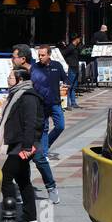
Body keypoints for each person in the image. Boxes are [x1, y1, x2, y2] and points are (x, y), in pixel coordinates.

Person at [12, 44, 57, 204]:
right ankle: (22, 192)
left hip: (36, 123)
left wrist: (39, 114)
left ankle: (51, 187)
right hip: (23, 124)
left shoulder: (35, 75)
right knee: (20, 159)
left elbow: (47, 97)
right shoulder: (21, 72)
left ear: (22, 59)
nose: (12, 59)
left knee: (38, 157)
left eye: (14, 56)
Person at [0, 65, 44, 222]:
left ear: (21, 80)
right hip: (18, 142)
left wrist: (26, 147)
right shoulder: (17, 95)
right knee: (23, 179)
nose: (8, 80)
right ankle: (29, 215)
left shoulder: (28, 97)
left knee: (5, 178)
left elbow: (30, 123)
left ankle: (9, 216)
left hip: (22, 145)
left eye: (11, 77)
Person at [35, 44, 66, 204]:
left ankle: (46, 146)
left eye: (42, 55)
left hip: (55, 102)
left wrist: (66, 85)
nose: (39, 57)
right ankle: (45, 151)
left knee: (60, 125)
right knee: (45, 129)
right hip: (41, 104)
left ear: (49, 55)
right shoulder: (35, 67)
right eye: (38, 55)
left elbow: (65, 79)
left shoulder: (56, 66)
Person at [65, 35, 83, 108]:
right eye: (79, 39)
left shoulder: (76, 47)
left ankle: (73, 102)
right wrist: (67, 62)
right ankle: (68, 103)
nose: (80, 40)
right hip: (71, 67)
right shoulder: (71, 47)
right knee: (70, 86)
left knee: (74, 86)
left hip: (76, 67)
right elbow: (64, 54)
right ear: (76, 39)